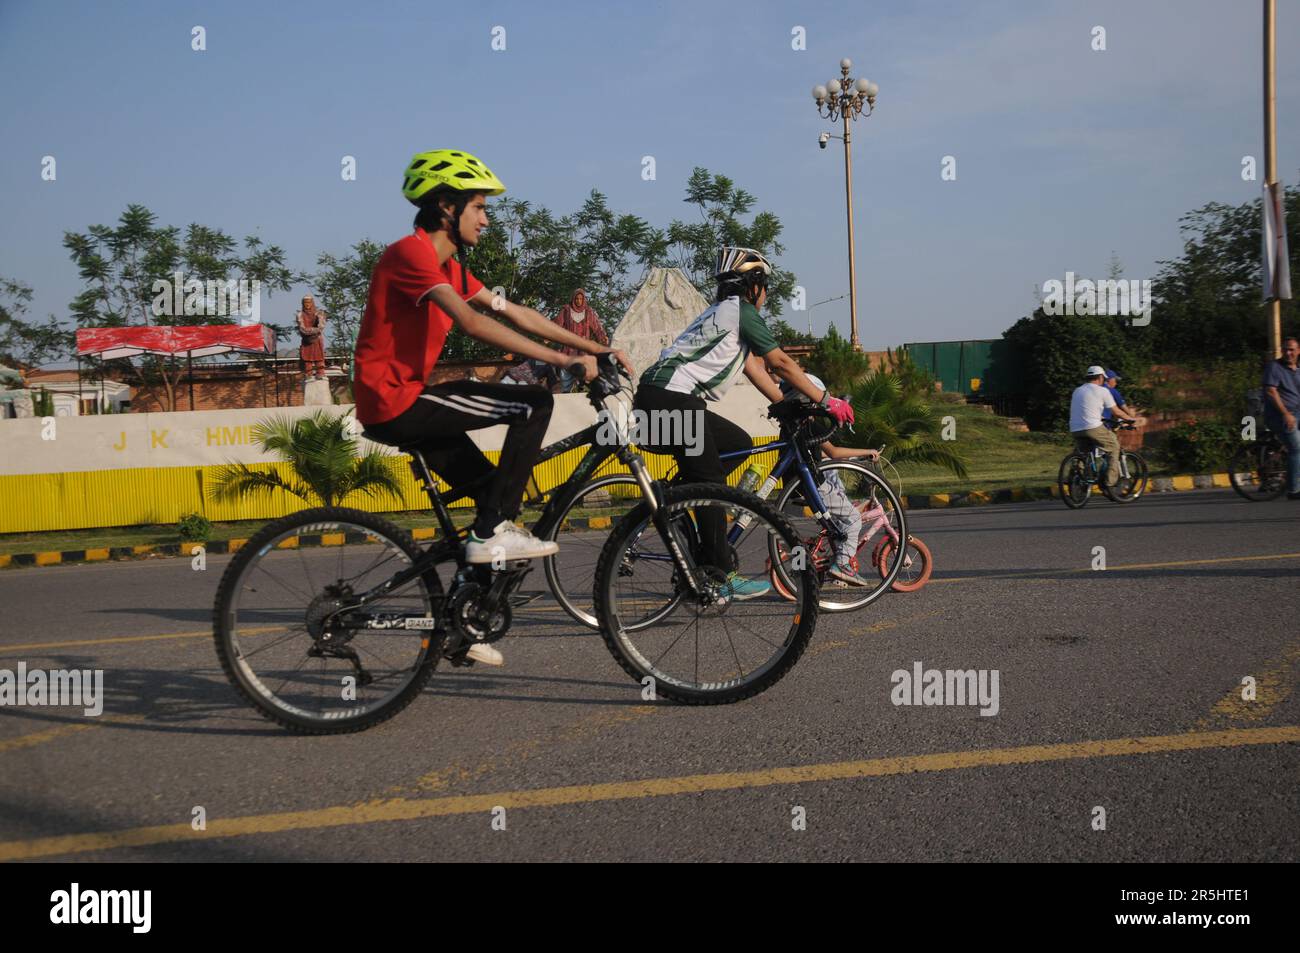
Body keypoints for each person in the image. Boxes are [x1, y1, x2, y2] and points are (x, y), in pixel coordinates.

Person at [352, 149, 633, 663]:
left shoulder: (450, 268)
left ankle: (467, 622)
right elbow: (474, 324)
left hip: (405, 402)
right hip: (395, 401)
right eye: (478, 207)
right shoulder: (410, 256)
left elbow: (517, 313)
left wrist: (594, 347)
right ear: (445, 207)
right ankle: (487, 534)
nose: (486, 218)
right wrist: (562, 360)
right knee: (530, 405)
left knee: (497, 498)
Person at [634, 246, 854, 600]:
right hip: (671, 402)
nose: (765, 295)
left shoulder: (722, 313)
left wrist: (784, 405)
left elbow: (755, 368)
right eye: (764, 286)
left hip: (657, 400)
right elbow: (780, 362)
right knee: (711, 483)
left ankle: (678, 504)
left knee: (737, 443)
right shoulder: (742, 312)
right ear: (753, 285)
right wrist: (827, 401)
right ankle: (718, 574)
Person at [777, 373, 881, 587]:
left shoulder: (789, 426)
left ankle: (828, 561)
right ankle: (842, 565)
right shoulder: (809, 425)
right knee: (853, 519)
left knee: (836, 524)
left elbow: (819, 453)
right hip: (814, 486)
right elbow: (833, 452)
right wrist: (868, 451)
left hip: (795, 489)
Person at [1069, 365, 1136, 485]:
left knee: (1083, 453)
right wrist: (1130, 419)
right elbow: (1116, 411)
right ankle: (1110, 482)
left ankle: (1076, 478)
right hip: (1093, 427)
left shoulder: (1077, 390)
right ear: (1100, 377)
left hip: (1075, 429)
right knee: (1114, 446)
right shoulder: (1102, 391)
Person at [1262, 336, 1300, 500]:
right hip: (1281, 416)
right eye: (1285, 349)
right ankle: (1293, 490)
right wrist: (1286, 414)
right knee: (1296, 449)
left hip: (1297, 413)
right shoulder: (1274, 367)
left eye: (1291, 349)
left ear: (1298, 351)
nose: (1288, 352)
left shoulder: (1298, 369)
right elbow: (1271, 391)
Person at [551, 289, 608, 392]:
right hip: (568, 349)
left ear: (584, 299)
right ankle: (566, 397)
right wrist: (548, 335)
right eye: (576, 298)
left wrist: (603, 337)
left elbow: (597, 327)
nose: (578, 301)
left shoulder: (589, 312)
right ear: (573, 299)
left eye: (581, 299)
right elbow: (556, 324)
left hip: (583, 350)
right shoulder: (566, 310)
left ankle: (583, 394)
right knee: (565, 378)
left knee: (584, 377)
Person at [296, 296, 327, 380]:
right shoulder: (300, 315)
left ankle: (320, 373)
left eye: (309, 302)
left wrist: (311, 330)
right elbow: (302, 329)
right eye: (305, 302)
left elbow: (321, 326)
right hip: (306, 340)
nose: (307, 304)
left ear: (312, 303)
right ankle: (308, 373)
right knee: (307, 358)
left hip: (317, 339)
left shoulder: (319, 313)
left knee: (319, 357)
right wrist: (313, 330)